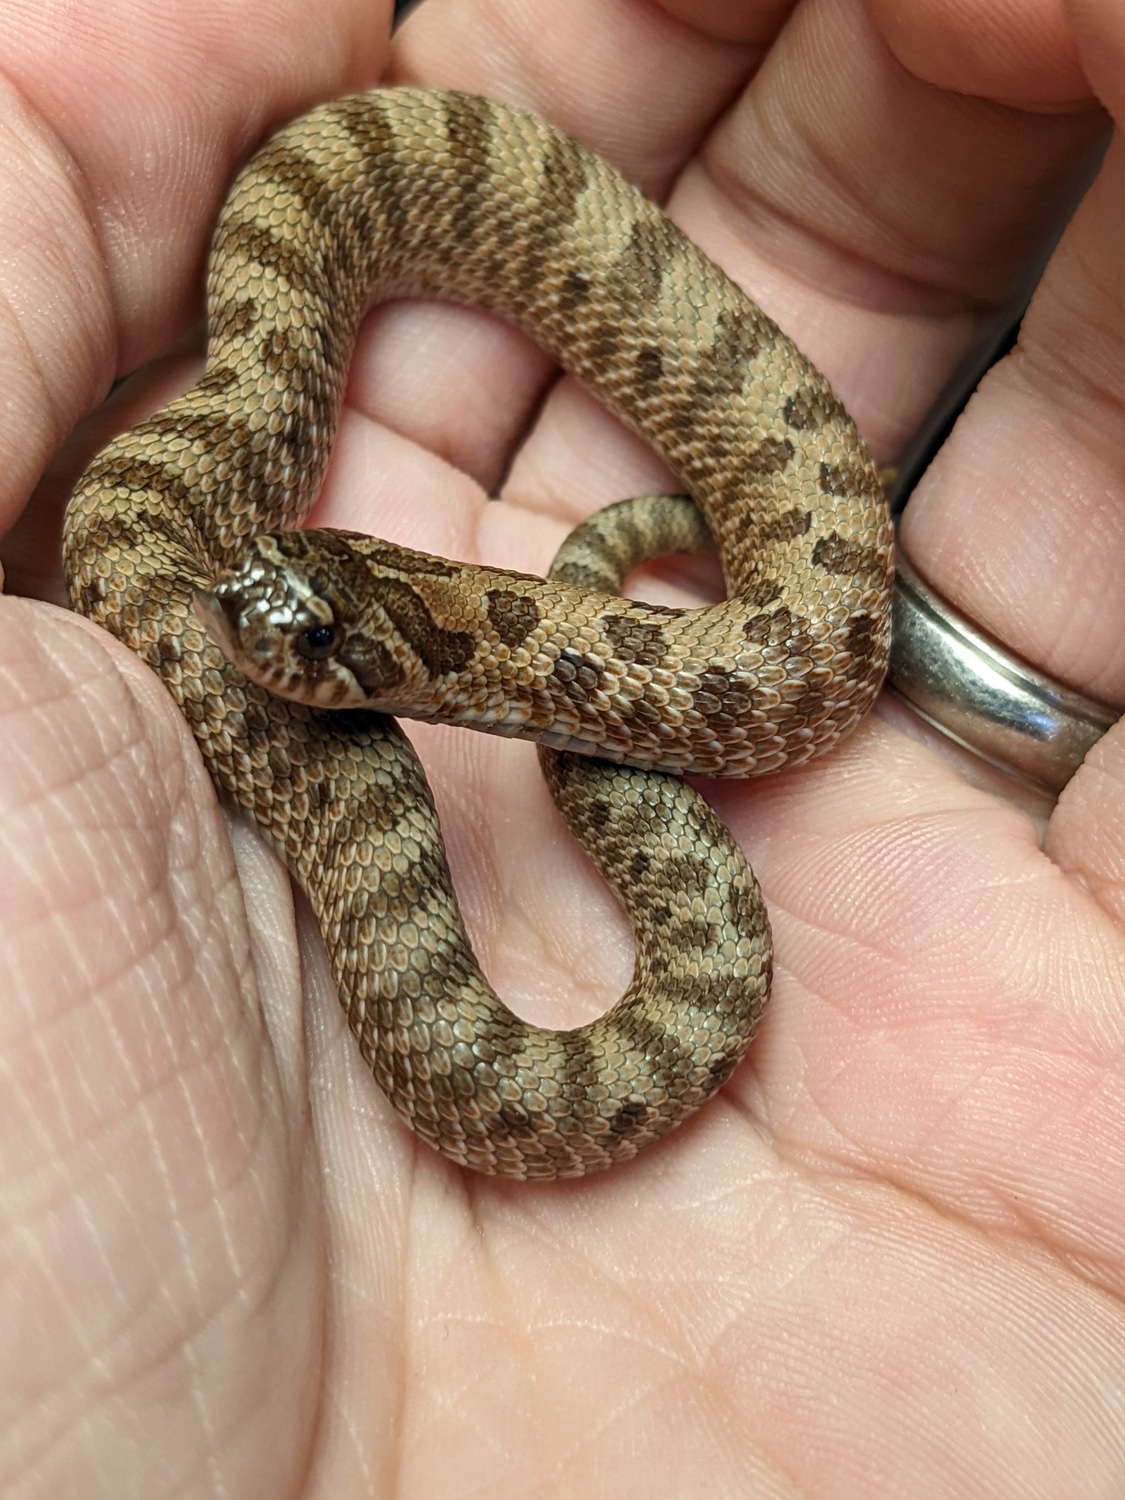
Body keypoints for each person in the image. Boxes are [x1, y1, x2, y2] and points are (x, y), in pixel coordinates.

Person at [1, 0, 1122, 1492]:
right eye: (287, 621)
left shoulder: (539, 658)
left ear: (418, 656)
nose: (258, 646)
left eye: (319, 652)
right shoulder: (240, 546)